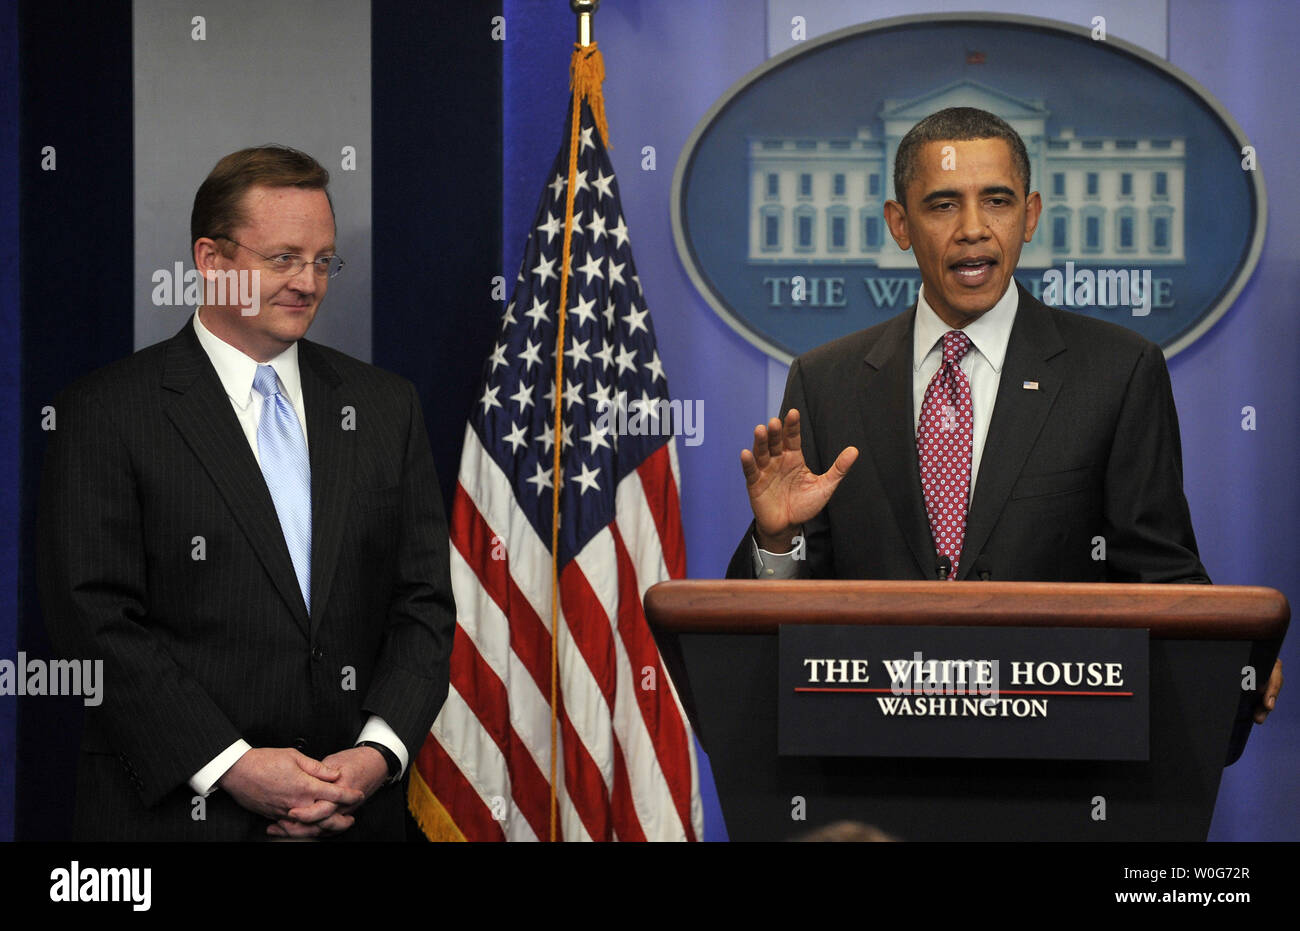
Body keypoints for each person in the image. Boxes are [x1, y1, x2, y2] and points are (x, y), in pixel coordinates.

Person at [727, 107, 1281, 724]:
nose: (973, 229)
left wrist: (1229, 646)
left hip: (1055, 764)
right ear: (899, 224)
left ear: (1031, 214)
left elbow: (1161, 572)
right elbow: (787, 626)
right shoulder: (827, 381)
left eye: (997, 201)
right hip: (871, 760)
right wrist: (777, 540)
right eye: (942, 205)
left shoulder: (1118, 373)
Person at [37, 145, 456, 839]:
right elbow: (95, 620)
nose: (309, 282)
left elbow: (424, 603)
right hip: (176, 818)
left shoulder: (386, 407)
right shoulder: (108, 411)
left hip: (354, 815)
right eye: (284, 258)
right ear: (211, 261)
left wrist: (376, 754)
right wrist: (233, 765)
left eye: (323, 260)